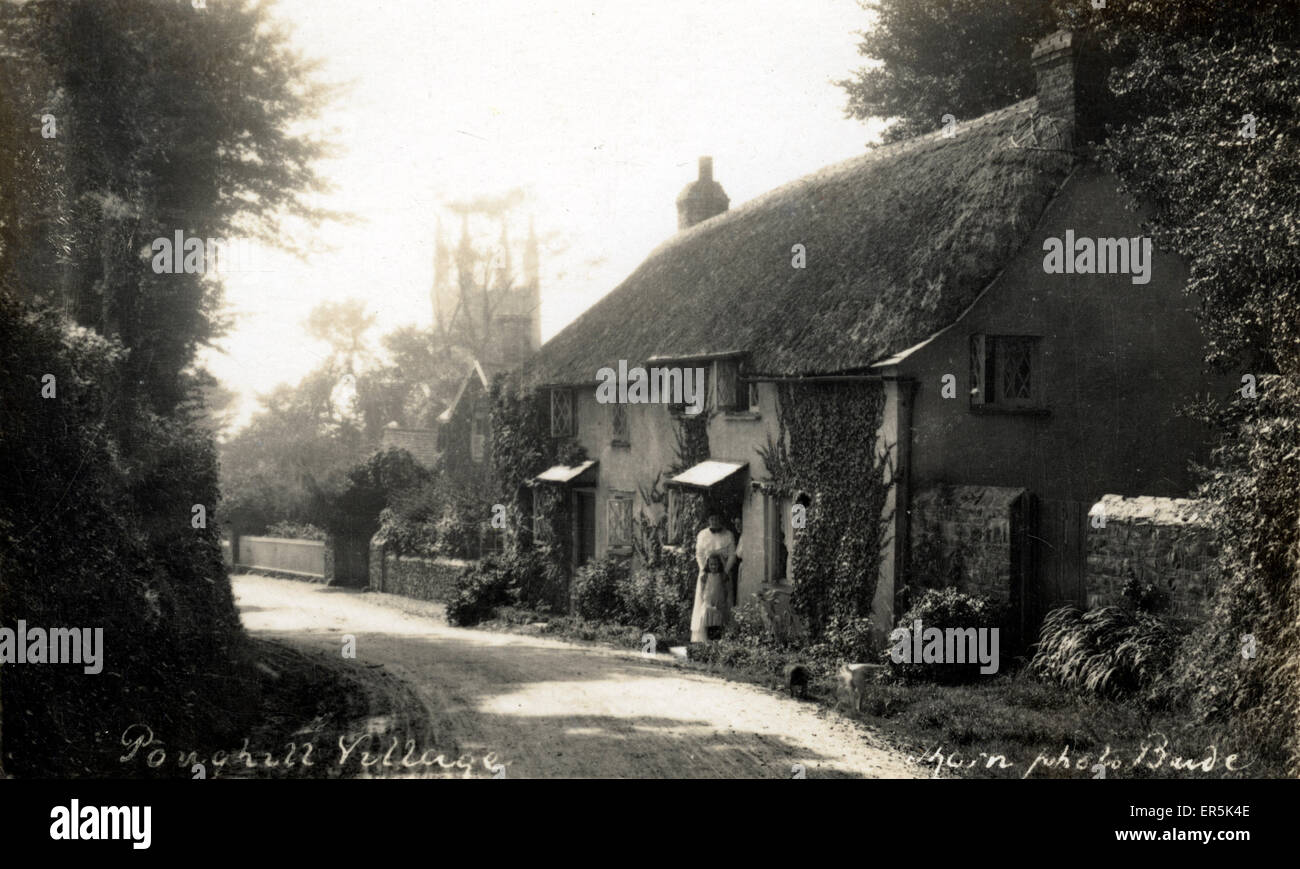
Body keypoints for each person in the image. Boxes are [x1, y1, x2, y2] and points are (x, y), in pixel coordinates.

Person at [693, 512, 737, 640]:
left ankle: (723, 636)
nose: (714, 521)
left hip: (723, 573)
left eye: (717, 519)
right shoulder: (702, 534)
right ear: (708, 520)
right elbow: (699, 554)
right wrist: (704, 570)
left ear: (721, 520)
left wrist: (725, 571)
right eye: (712, 519)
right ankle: (704, 637)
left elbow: (732, 555)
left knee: (724, 601)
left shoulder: (728, 535)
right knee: (705, 603)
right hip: (707, 573)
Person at [691, 554, 731, 642]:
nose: (713, 567)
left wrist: (725, 600)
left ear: (719, 565)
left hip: (719, 603)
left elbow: (727, 589)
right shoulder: (705, 576)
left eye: (715, 564)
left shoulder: (722, 576)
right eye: (711, 564)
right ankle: (709, 642)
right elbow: (702, 590)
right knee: (709, 624)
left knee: (718, 624)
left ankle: (717, 642)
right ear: (708, 565)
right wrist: (705, 600)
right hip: (708, 604)